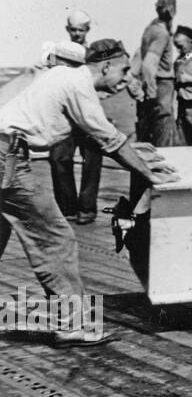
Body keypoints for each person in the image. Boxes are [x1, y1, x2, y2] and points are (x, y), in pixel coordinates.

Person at [0, 39, 177, 346]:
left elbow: (100, 137)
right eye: (122, 71)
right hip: (9, 160)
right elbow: (109, 138)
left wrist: (140, 155)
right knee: (55, 239)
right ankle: (73, 325)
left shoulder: (63, 77)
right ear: (105, 66)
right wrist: (150, 175)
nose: (124, 79)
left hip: (6, 152)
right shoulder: (79, 86)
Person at [48, 11, 104, 224]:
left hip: (88, 113)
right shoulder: (57, 53)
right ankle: (67, 207)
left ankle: (87, 208)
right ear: (67, 30)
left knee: (92, 159)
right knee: (58, 157)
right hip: (65, 115)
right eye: (73, 29)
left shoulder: (94, 54)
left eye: (81, 30)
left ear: (87, 30)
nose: (77, 33)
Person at [138, 0, 179, 146]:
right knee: (163, 134)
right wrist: (152, 90)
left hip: (152, 86)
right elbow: (149, 63)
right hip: (161, 87)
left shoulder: (150, 30)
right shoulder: (162, 34)